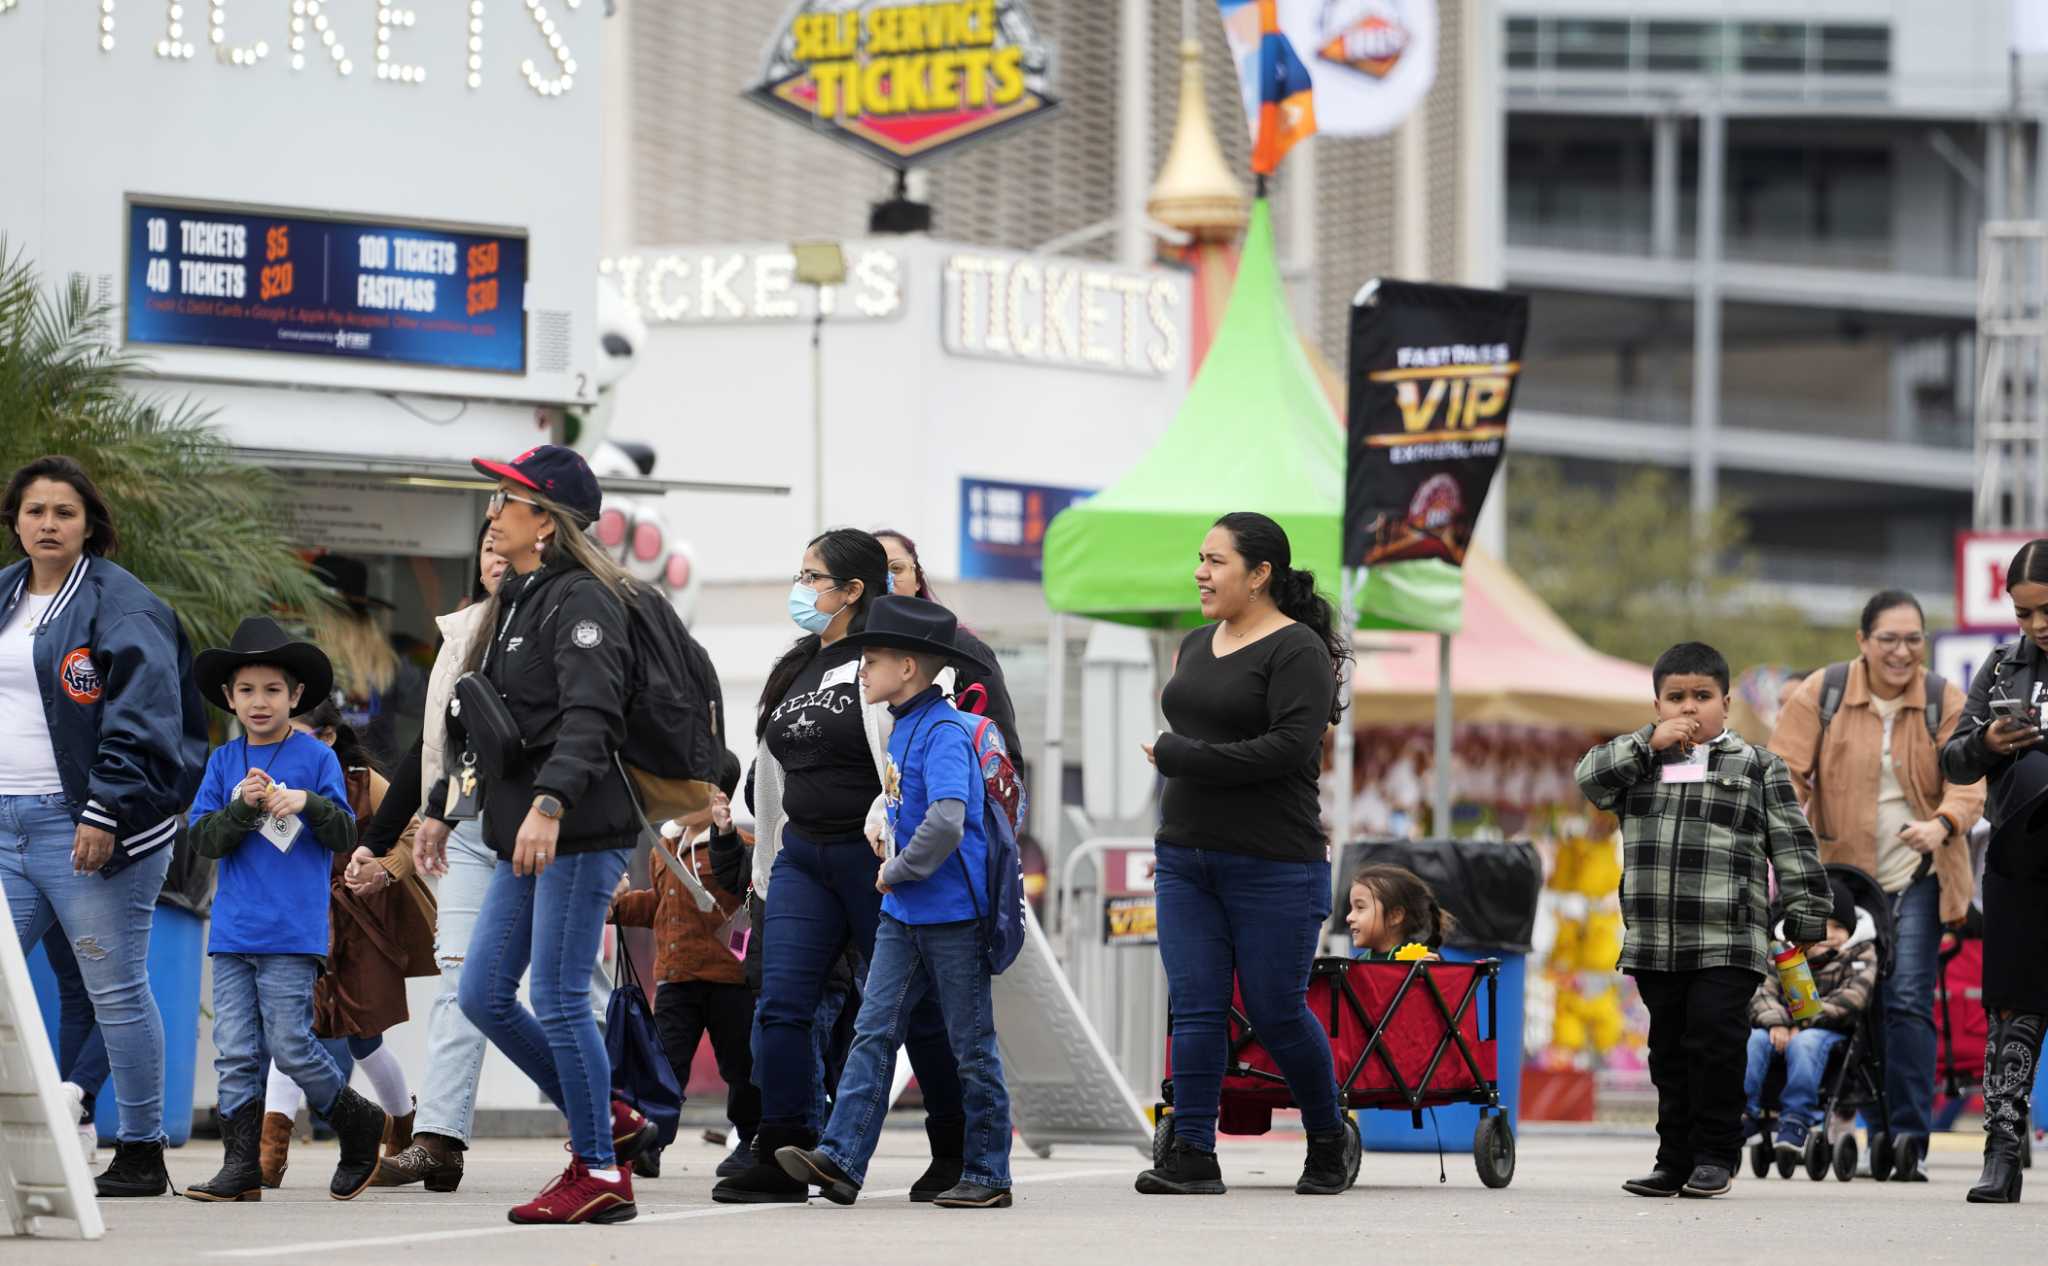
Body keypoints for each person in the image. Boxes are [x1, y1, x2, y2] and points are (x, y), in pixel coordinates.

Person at [416, 444, 653, 1226]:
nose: (492, 512)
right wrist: (442, 806)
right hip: (522, 830)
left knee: (554, 995)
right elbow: (484, 725)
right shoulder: (518, 598)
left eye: (506, 500)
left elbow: (593, 716)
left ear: (544, 521)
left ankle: (600, 1170)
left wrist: (550, 805)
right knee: (483, 992)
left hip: (576, 830)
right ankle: (605, 1118)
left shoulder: (582, 599)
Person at [713, 529, 969, 1205]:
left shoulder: (890, 659)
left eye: (813, 577)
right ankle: (782, 1147)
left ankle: (955, 1148)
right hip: (801, 858)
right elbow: (772, 775)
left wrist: (903, 842)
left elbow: (915, 747)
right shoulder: (797, 665)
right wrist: (763, 864)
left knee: (915, 1010)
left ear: (853, 590)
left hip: (874, 858)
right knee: (781, 1004)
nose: (801, 589)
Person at [0, 455, 208, 1198]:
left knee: (114, 990)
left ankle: (142, 1152)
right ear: (15, 520)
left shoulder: (123, 607)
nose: (48, 524)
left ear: (90, 523)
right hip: (7, 825)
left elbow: (144, 721)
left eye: (65, 512)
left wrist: (104, 810)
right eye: (35, 510)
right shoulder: (5, 594)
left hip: (92, 828)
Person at [1134, 512, 1351, 1198]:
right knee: (1196, 1008)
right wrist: (1182, 761)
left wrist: (1181, 755)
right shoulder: (1196, 644)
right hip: (1185, 857)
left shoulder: (1297, 650)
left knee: (1276, 1010)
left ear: (1260, 575)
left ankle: (1328, 1139)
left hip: (1275, 863)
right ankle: (1193, 1153)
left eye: (1216, 561)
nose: (1200, 573)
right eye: (1200, 559)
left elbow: (1287, 749)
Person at [774, 595, 1014, 1209]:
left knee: (971, 1046)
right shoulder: (904, 725)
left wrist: (898, 870)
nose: (862, 670)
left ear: (908, 668)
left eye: (873, 660)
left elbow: (949, 820)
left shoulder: (943, 731)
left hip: (952, 916)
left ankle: (989, 1174)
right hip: (905, 914)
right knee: (873, 1032)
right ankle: (841, 1159)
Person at [1576, 641, 1833, 1200]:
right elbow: (1587, 778)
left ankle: (1717, 1154)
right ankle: (1673, 1160)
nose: (1689, 707)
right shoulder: (1638, 763)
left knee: (1715, 1041)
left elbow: (1793, 843)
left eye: (1702, 696)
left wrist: (1808, 914)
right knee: (1669, 1053)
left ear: (1726, 703)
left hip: (1730, 938)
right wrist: (1646, 742)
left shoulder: (1758, 766)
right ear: (1657, 705)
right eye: (1675, 698)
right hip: (1656, 939)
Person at [1770, 589, 1984, 1181]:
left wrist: (1943, 823)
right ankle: (1854, 1121)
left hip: (1919, 875)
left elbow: (1970, 779)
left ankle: (1908, 1136)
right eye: (1888, 639)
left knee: (1907, 999)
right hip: (1842, 884)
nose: (1901, 651)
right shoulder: (1824, 692)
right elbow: (1783, 774)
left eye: (1913, 639)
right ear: (1863, 641)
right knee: (1850, 1001)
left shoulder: (1943, 698)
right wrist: (1789, 840)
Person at [182, 617, 389, 1202]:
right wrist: (242, 810)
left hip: (293, 933)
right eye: (247, 690)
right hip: (232, 932)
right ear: (229, 697)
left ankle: (357, 1120)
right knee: (234, 1052)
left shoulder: (316, 758)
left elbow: (344, 831)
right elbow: (203, 839)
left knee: (290, 1044)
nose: (259, 701)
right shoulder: (224, 762)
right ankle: (240, 1167)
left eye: (272, 690)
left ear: (295, 696)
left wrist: (306, 803)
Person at [363, 526, 505, 1193]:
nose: (498, 557)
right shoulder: (460, 633)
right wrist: (379, 839)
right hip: (468, 830)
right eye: (489, 546)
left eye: (510, 544)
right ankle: (439, 1139)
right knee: (459, 983)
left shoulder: (568, 625)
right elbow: (433, 752)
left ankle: (609, 1126)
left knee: (568, 993)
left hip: (552, 830)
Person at [257, 698, 429, 1189]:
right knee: (292, 1029)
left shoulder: (363, 781)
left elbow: (412, 835)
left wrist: (382, 869)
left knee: (364, 1038)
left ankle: (401, 1127)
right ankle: (270, 1152)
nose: (288, 746)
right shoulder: (269, 785)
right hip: (300, 921)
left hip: (362, 924)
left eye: (299, 735)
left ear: (328, 737)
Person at [1939, 538, 2048, 1204]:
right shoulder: (2004, 667)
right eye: (2025, 613)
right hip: (2019, 859)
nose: (2037, 625)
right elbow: (1951, 759)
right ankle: (2002, 1155)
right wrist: (1985, 742)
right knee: (2012, 1006)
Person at [609, 751, 757, 1180]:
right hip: (675, 977)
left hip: (729, 979)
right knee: (666, 1064)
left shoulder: (740, 846)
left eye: (685, 787)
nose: (674, 795)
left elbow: (746, 899)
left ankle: (750, 1139)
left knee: (741, 1067)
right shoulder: (665, 847)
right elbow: (660, 905)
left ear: (717, 796)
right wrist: (617, 906)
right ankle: (651, 1141)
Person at [1741, 876, 1877, 1164]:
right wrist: (1777, 1022)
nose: (1828, 934)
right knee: (1753, 1040)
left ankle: (1796, 1116)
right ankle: (1744, 1112)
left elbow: (1853, 997)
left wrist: (1799, 1024)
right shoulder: (1782, 952)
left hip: (1831, 1032)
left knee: (1805, 1043)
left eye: (1838, 927)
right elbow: (1762, 991)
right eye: (1821, 925)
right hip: (1779, 1027)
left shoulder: (1859, 954)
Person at [873, 528, 1021, 759]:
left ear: (917, 579)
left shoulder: (962, 649)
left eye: (896, 568)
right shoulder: (844, 651)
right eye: (875, 572)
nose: (887, 581)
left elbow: (1002, 752)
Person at [1344, 864, 1447, 961]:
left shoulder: (1422, 958)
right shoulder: (1358, 963)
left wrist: (1429, 971)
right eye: (1351, 908)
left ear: (1395, 916)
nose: (1349, 917)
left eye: (1360, 907)